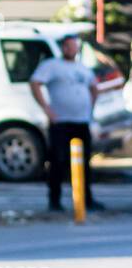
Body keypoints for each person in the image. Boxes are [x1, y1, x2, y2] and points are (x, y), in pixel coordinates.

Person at [30, 33, 104, 212]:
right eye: (68, 45)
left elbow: (94, 87)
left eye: (74, 45)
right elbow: (35, 82)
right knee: (58, 160)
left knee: (84, 162)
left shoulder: (82, 68)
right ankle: (54, 200)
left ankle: (86, 199)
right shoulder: (52, 66)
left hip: (81, 121)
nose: (71, 49)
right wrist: (47, 109)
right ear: (63, 47)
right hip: (61, 122)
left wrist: (89, 108)